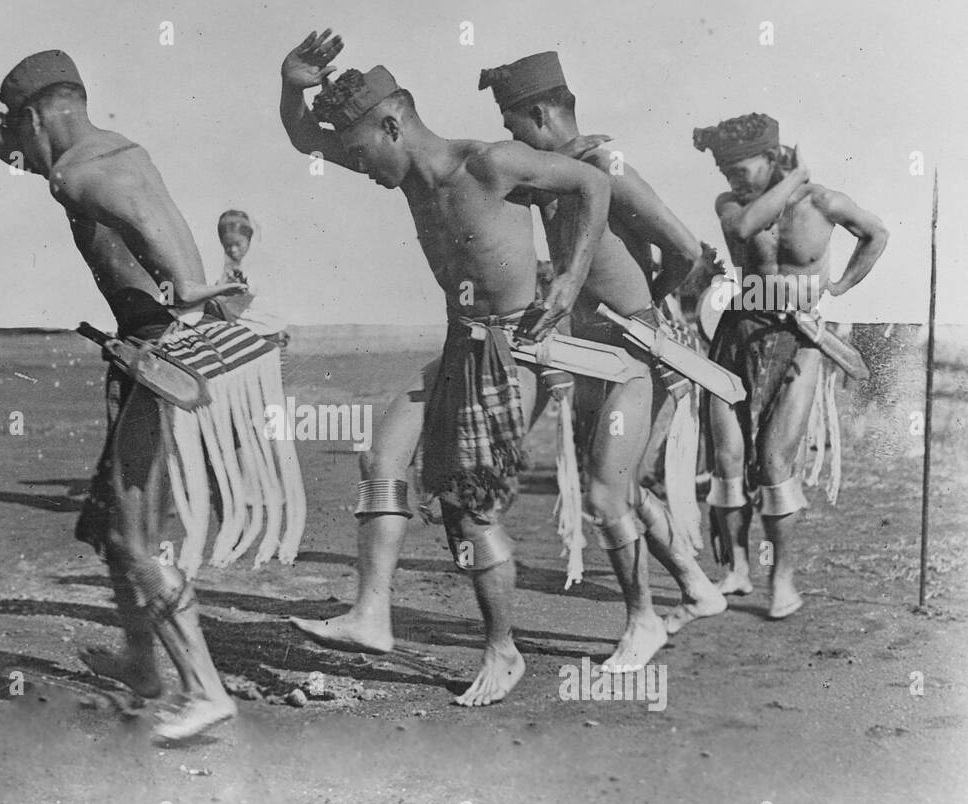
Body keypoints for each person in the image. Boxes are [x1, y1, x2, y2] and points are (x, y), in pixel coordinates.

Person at [279, 30, 626, 703]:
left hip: (512, 352)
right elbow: (304, 139)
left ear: (391, 124)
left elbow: (590, 183)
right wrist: (293, 86)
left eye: (361, 153)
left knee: (469, 513)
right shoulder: (406, 173)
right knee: (383, 456)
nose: (362, 169)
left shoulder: (490, 164)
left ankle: (503, 651)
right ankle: (371, 615)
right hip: (460, 342)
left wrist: (569, 280)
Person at [0, 50, 284, 739]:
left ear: (39, 113)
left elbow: (126, 206)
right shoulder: (113, 148)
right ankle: (142, 662)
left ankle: (203, 689)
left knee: (137, 541)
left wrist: (186, 280)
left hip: (163, 355)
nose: (20, 144)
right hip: (172, 349)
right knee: (116, 527)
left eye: (19, 127)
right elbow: (66, 173)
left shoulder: (77, 174)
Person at [481, 52, 728, 651]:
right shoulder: (561, 172)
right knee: (622, 487)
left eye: (514, 123)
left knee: (603, 494)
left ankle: (642, 622)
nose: (510, 136)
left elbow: (685, 250)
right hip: (592, 354)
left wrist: (645, 308)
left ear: (538, 112)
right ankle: (697, 587)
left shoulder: (609, 166)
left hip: (638, 354)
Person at [694, 113, 887, 617]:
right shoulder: (733, 205)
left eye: (741, 169)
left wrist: (841, 286)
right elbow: (744, 226)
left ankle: (782, 579)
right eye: (726, 171)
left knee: (775, 460)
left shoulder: (824, 202)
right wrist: (796, 176)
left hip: (798, 338)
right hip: (738, 332)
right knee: (728, 459)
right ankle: (735, 567)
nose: (732, 180)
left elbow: (876, 234)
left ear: (772, 156)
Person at [213, 209, 290, 348]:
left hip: (264, 329)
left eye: (238, 244)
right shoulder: (232, 262)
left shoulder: (258, 262)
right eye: (227, 245)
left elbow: (248, 288)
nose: (233, 250)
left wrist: (223, 289)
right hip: (245, 326)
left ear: (249, 240)